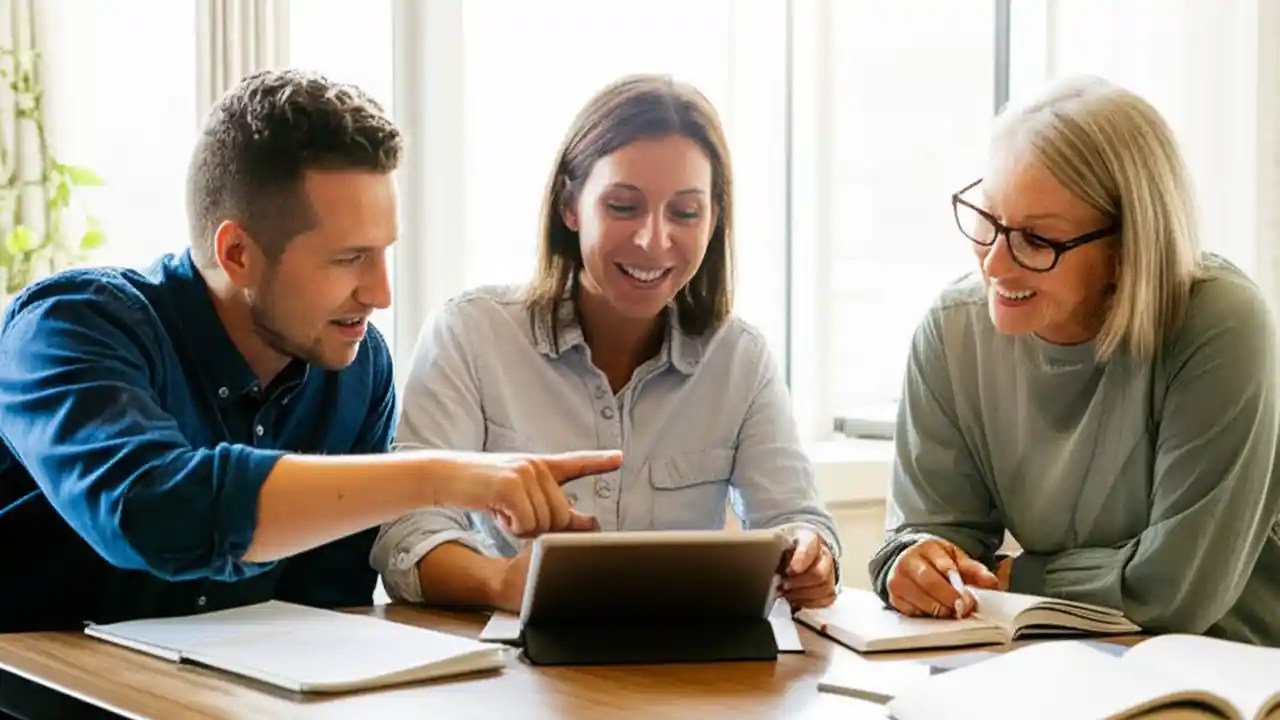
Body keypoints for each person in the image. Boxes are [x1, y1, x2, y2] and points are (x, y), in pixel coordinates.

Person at [0, 69, 620, 633]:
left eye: (384, 253)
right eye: (349, 258)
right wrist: (440, 477)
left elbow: (321, 614)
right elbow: (155, 507)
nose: (380, 292)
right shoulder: (69, 327)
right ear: (237, 253)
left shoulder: (358, 367)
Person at [372, 74, 842, 613]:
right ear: (571, 205)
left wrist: (812, 555)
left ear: (713, 219)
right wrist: (502, 583)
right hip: (507, 675)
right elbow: (406, 535)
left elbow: (797, 519)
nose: (653, 239)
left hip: (689, 674)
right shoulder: (470, 335)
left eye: (685, 213)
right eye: (623, 207)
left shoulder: (741, 360)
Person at [871, 75, 1280, 646]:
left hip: (1234, 674)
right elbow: (935, 538)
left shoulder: (1221, 323)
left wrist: (1020, 576)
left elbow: (1179, 590)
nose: (994, 264)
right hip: (1064, 660)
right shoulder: (953, 330)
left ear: (1128, 248)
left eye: (1037, 241)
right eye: (987, 219)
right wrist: (914, 566)